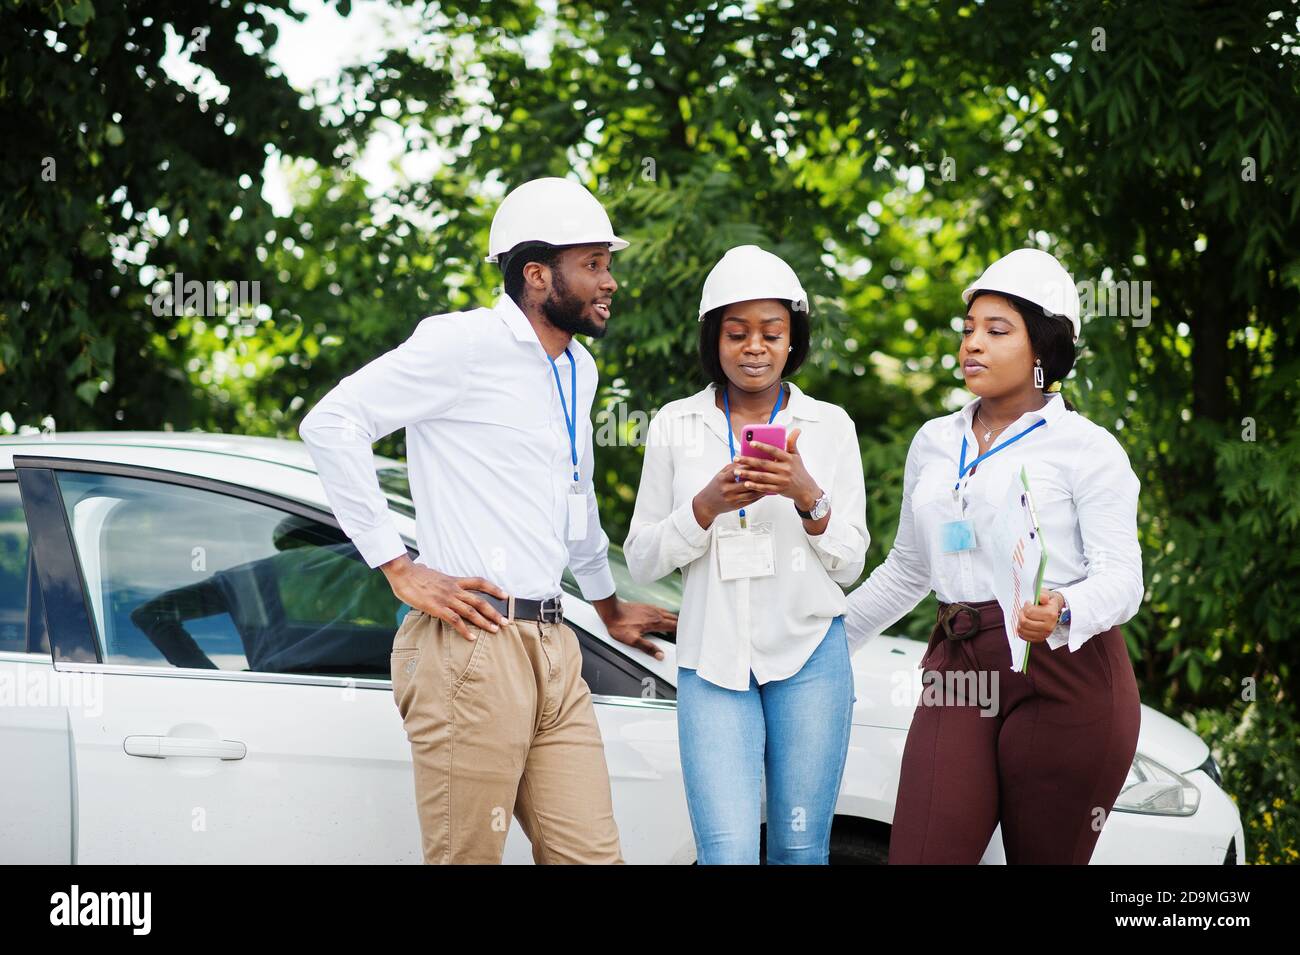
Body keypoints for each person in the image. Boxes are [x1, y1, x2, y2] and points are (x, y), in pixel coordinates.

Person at [299, 176, 678, 864]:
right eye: (593, 263)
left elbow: (576, 496)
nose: (610, 280)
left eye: (608, 263)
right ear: (537, 275)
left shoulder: (577, 369)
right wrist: (398, 565)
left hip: (555, 644)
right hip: (471, 643)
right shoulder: (461, 343)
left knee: (593, 859)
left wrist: (609, 605)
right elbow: (331, 423)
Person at [843, 247, 1143, 864]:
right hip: (959, 665)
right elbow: (908, 569)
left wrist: (1063, 608)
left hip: (1065, 675)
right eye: (968, 330)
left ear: (1043, 350)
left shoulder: (1089, 449)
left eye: (996, 331)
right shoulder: (934, 441)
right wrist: (824, 640)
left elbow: (1123, 579)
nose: (971, 345)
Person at [624, 245, 869, 864]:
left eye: (772, 332)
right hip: (712, 662)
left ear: (793, 340)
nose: (754, 347)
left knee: (799, 850)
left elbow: (851, 561)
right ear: (715, 341)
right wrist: (702, 507)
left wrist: (806, 494)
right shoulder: (675, 425)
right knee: (727, 853)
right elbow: (643, 556)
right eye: (737, 333)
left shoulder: (830, 424)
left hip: (811, 657)